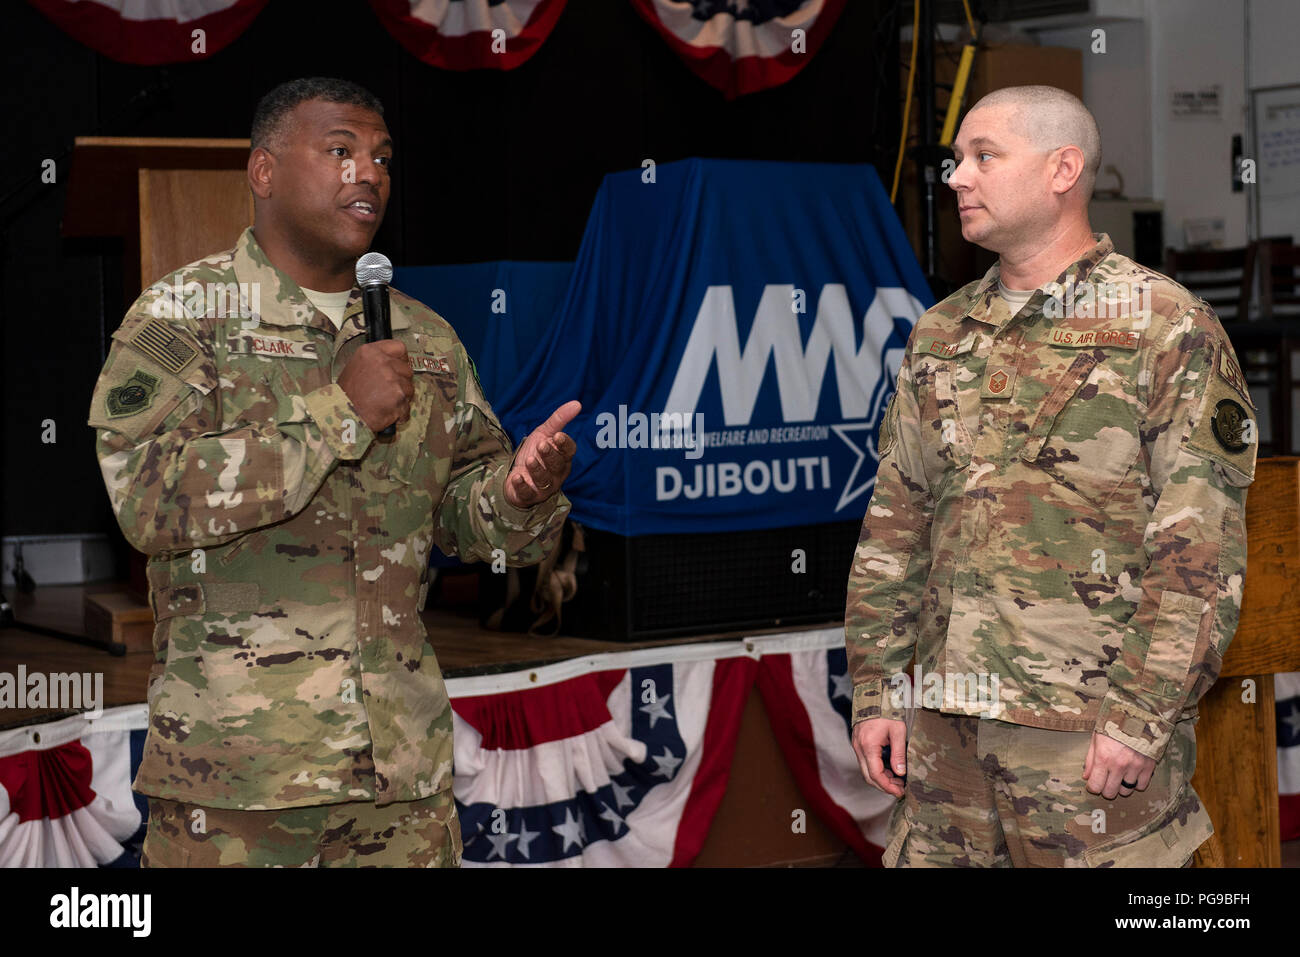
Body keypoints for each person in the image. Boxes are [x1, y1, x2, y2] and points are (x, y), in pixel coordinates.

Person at [87, 77, 580, 867]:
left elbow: (471, 522)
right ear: (265, 173)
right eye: (341, 151)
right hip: (239, 781)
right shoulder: (182, 318)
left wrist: (518, 494)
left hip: (401, 780)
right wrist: (339, 411)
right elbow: (149, 502)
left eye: (383, 157)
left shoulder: (426, 339)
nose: (371, 174)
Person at [845, 85, 1257, 867]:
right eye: (956, 160)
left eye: (983, 157)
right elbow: (894, 527)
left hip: (1087, 750)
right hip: (943, 749)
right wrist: (877, 688)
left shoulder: (1163, 327)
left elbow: (1199, 554)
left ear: (1063, 169)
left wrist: (1140, 714)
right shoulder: (941, 333)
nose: (956, 177)